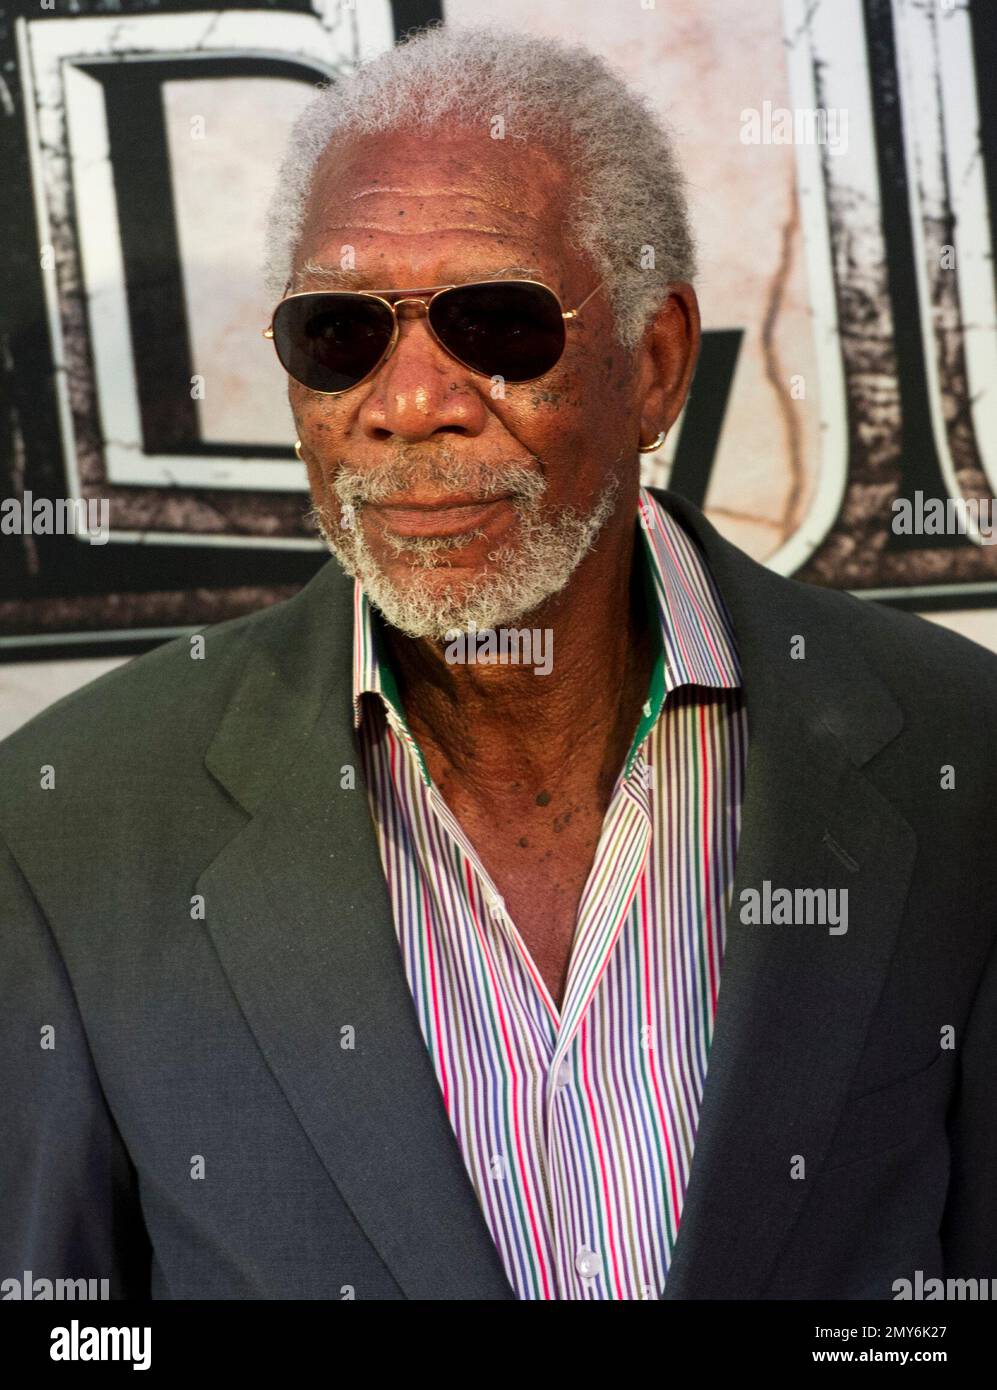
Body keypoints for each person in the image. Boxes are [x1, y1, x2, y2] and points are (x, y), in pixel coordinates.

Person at [1, 23, 995, 1301]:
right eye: (339, 333)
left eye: (495, 323)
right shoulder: (73, 828)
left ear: (654, 363)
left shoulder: (952, 755)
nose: (410, 401)